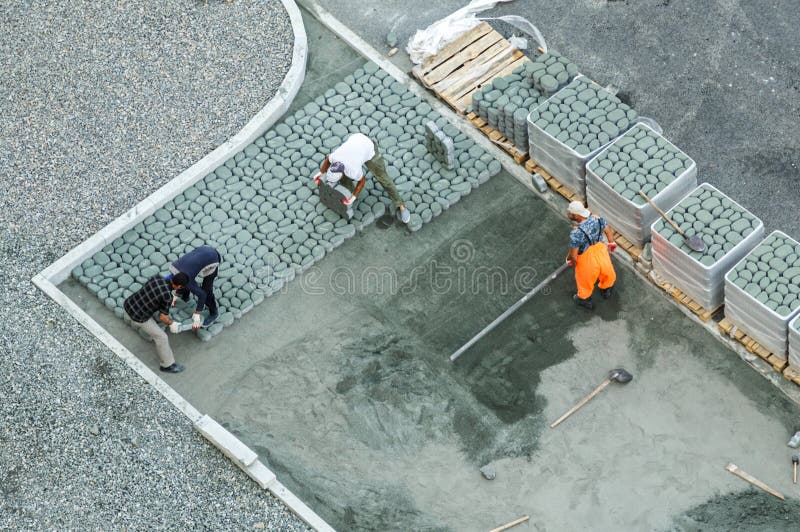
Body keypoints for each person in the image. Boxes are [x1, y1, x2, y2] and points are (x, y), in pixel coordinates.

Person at [314, 133, 411, 224]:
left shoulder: (353, 170)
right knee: (345, 179)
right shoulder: (335, 157)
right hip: (355, 138)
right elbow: (328, 160)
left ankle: (401, 205)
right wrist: (321, 172)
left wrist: (354, 197)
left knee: (383, 178)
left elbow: (362, 181)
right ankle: (349, 191)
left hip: (368, 148)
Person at [123, 273, 188, 373]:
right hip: (137, 317)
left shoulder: (157, 278)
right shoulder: (167, 297)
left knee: (156, 313)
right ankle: (167, 365)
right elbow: (163, 317)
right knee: (162, 337)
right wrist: (171, 323)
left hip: (128, 305)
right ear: (179, 286)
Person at [565, 201, 618, 310]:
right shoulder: (597, 219)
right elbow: (608, 232)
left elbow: (574, 256)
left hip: (586, 258)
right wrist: (611, 243)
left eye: (569, 212)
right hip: (601, 250)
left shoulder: (576, 233)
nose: (568, 213)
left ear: (575, 215)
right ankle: (606, 290)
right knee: (607, 271)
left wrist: (568, 259)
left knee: (584, 281)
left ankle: (584, 300)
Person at [169, 245, 221, 329]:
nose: (175, 288)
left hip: (212, 259)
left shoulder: (187, 281)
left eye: (176, 288)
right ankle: (185, 297)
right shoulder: (173, 267)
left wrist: (197, 313)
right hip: (202, 250)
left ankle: (214, 313)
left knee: (207, 291)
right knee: (187, 283)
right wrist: (176, 295)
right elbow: (178, 281)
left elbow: (202, 295)